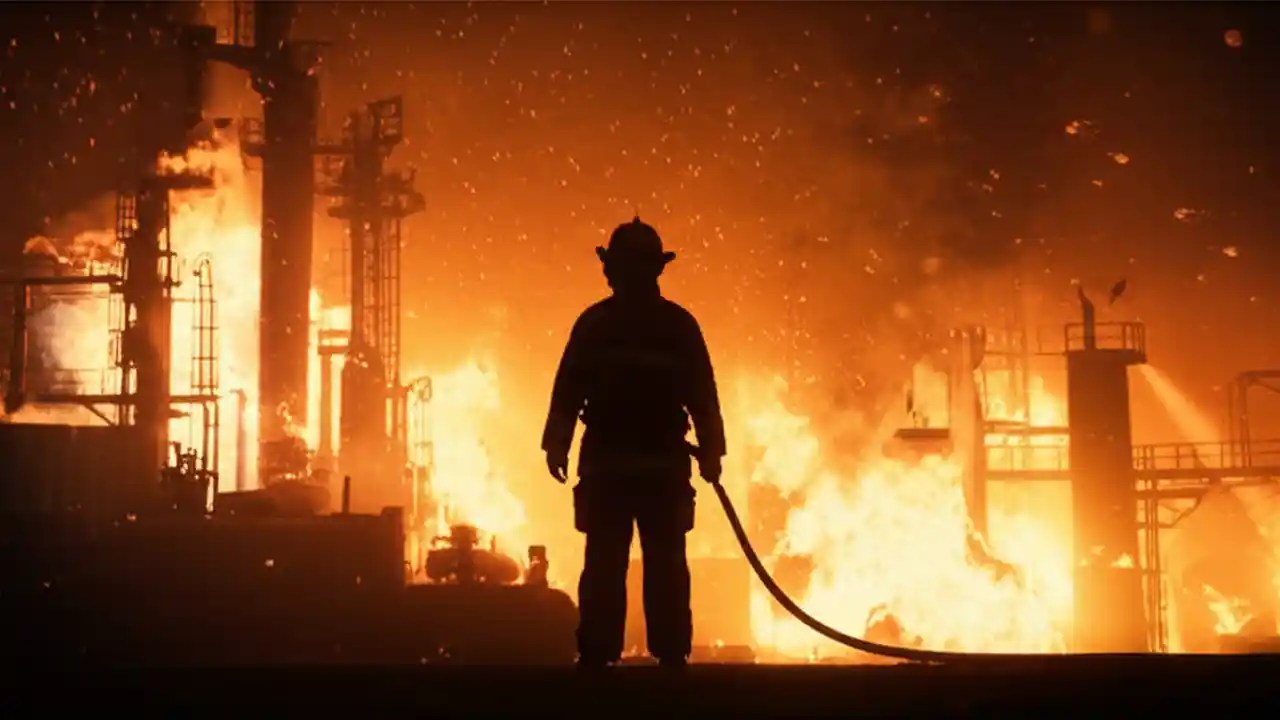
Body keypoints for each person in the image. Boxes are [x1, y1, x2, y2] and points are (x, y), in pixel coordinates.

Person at [542, 217, 726, 669]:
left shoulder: (595, 324)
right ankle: (669, 654)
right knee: (664, 563)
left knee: (606, 562)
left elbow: (568, 389)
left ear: (616, 270)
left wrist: (558, 444)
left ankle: (599, 653)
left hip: (607, 467)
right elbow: (702, 395)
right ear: (656, 270)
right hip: (662, 468)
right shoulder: (679, 326)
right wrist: (712, 452)